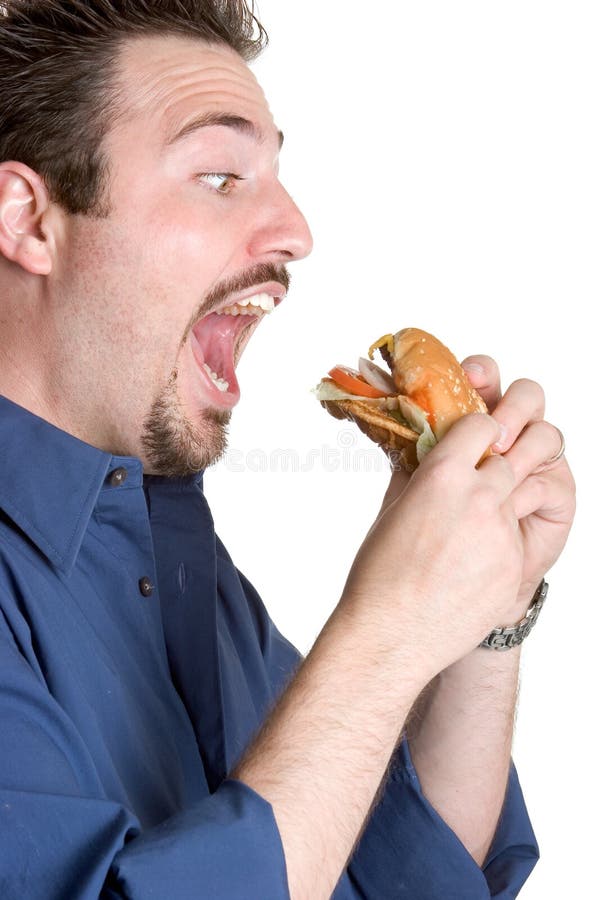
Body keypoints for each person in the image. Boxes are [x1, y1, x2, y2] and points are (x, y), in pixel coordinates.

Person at [0, 2, 575, 898]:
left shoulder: (187, 566)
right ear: (30, 220)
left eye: (277, 176)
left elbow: (400, 879)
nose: (296, 230)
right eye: (221, 176)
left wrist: (484, 615)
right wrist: (383, 632)